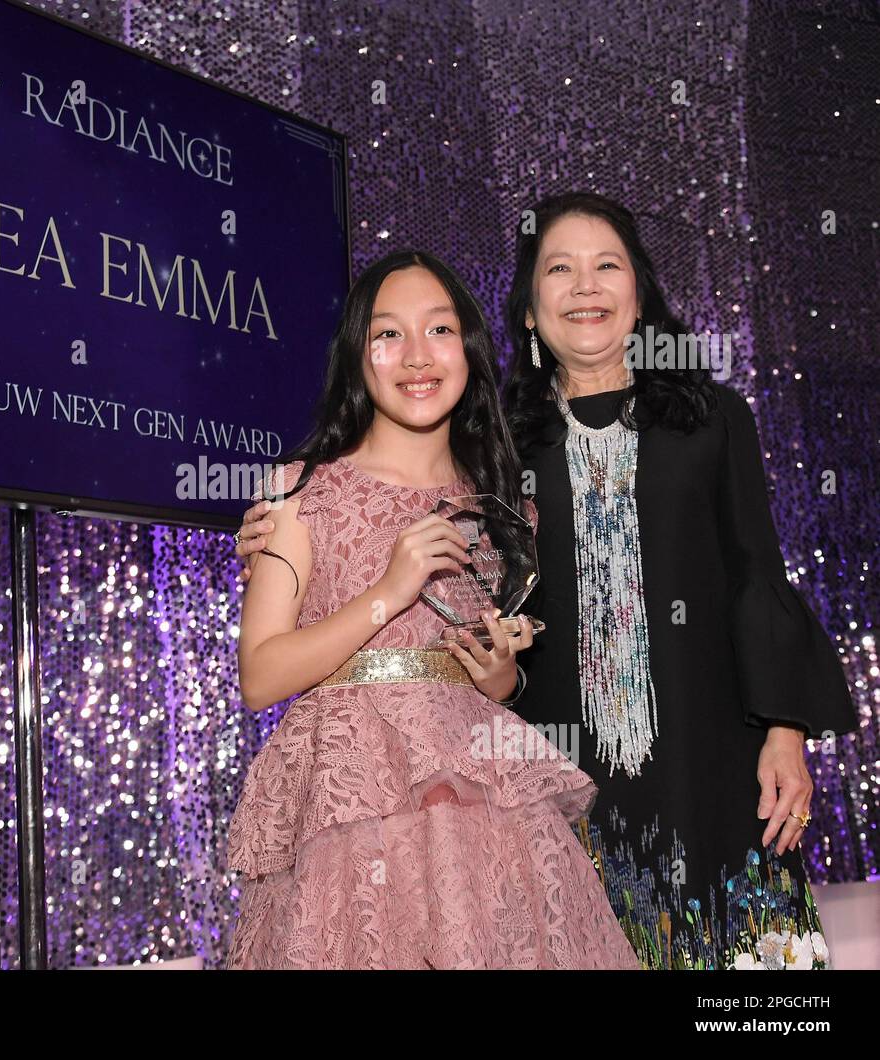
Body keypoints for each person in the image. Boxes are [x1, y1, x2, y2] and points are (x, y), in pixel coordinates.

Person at [235, 194, 859, 970]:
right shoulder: (504, 446)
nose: (585, 287)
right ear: (528, 311)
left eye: (608, 267)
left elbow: (758, 575)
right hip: (565, 771)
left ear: (640, 293)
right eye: (559, 270)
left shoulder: (711, 418)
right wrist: (282, 528)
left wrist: (786, 730)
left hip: (717, 755)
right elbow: (423, 557)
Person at [225, 248, 638, 969]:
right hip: (355, 819)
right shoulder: (299, 490)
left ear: (471, 352)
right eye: (388, 334)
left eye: (439, 330)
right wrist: (391, 586)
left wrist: (497, 672)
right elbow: (260, 676)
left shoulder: (499, 504)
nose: (417, 356)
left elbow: (493, 685)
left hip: (484, 816)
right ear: (358, 354)